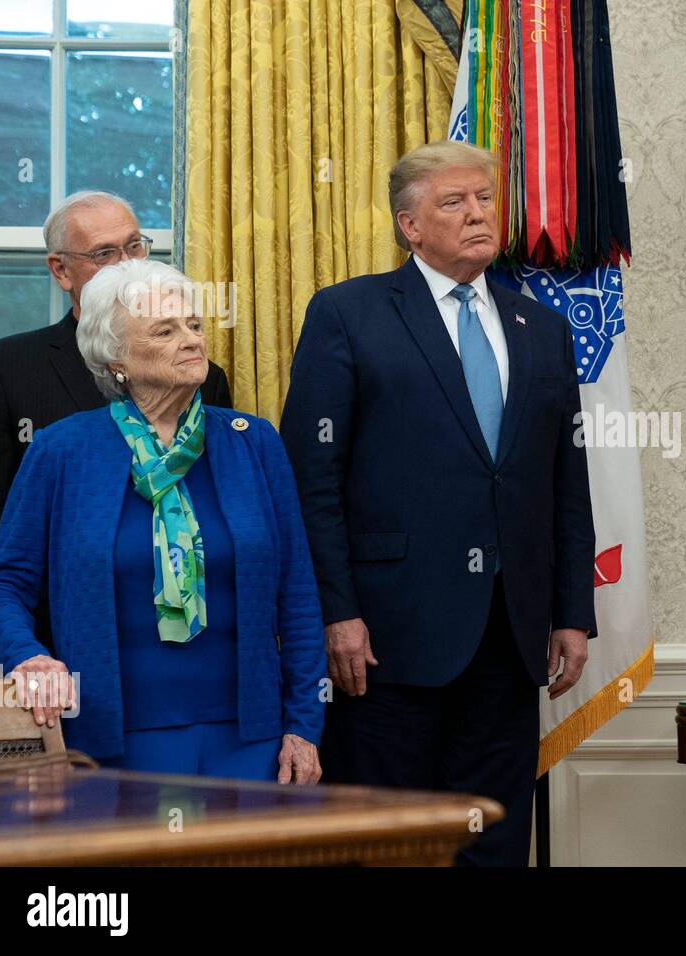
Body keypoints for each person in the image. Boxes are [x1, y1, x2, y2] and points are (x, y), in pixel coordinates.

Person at [280, 140, 596, 865]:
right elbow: (312, 479)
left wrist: (572, 613)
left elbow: (565, 482)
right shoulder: (348, 313)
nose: (477, 213)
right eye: (453, 203)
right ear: (409, 226)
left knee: (495, 839)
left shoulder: (540, 328)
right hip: (386, 639)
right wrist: (336, 611)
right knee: (395, 843)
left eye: (484, 198)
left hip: (511, 636)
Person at [0, 259, 324, 783]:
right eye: (165, 330)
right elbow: (3, 582)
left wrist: (303, 725)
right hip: (105, 739)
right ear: (116, 356)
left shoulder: (253, 442)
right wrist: (25, 656)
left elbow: (297, 592)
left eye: (194, 325)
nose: (191, 339)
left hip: (250, 736)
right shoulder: (62, 449)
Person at [0, 191, 233, 675]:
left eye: (134, 246)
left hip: (187, 633)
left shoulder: (202, 374)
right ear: (60, 270)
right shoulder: (5, 369)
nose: (125, 264)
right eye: (104, 254)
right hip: (58, 637)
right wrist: (18, 645)